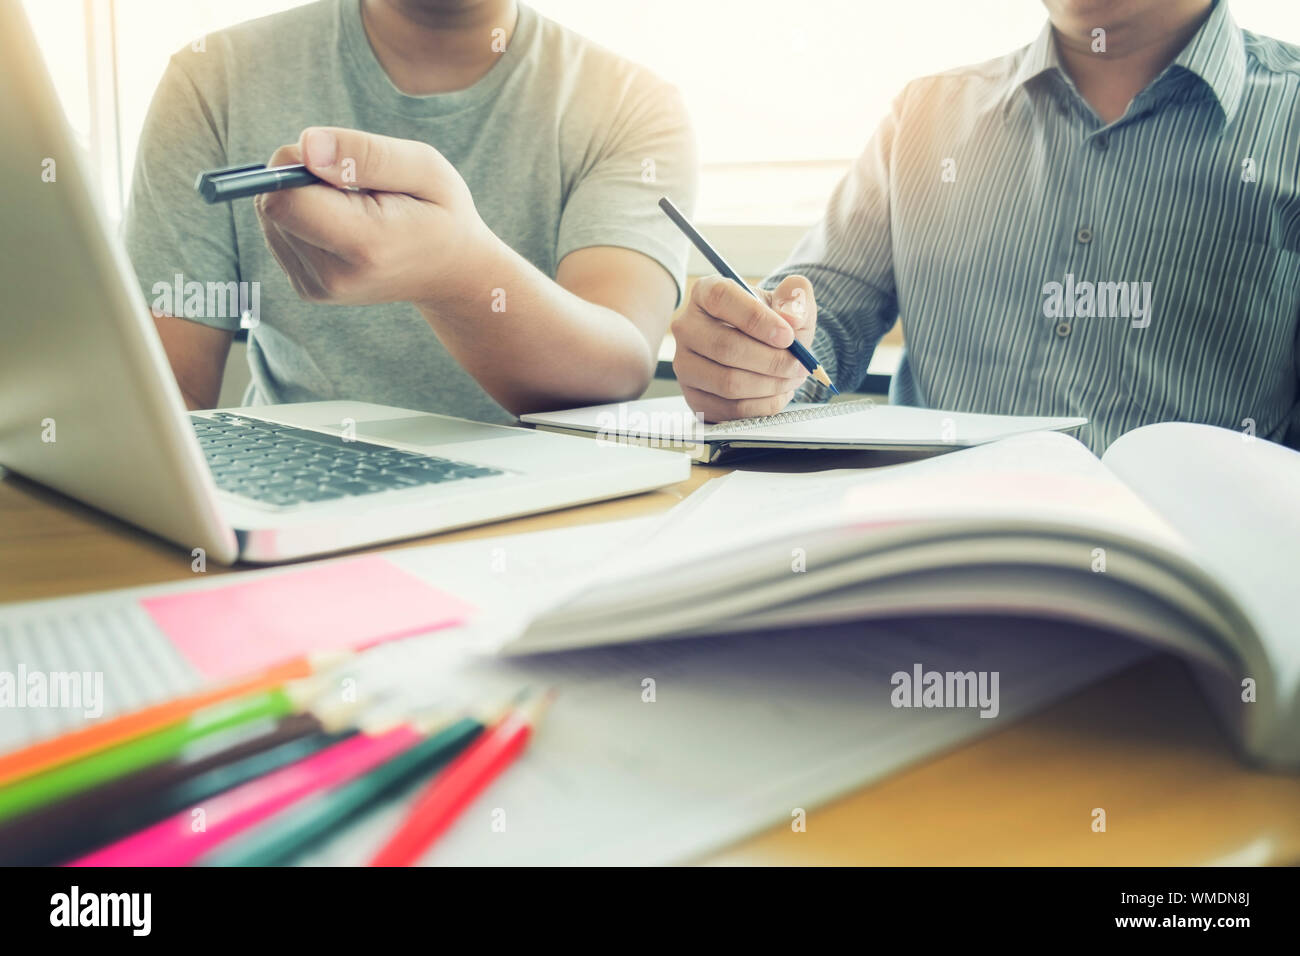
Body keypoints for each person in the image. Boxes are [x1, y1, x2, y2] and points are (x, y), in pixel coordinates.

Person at [671, 0, 1299, 453]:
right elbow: (820, 319)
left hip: (1212, 588)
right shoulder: (923, 116)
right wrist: (756, 358)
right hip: (937, 560)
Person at [127, 0, 697, 420]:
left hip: (539, 514)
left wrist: (457, 273)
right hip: (289, 499)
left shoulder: (631, 105)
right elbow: (164, 394)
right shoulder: (210, 79)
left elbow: (614, 372)